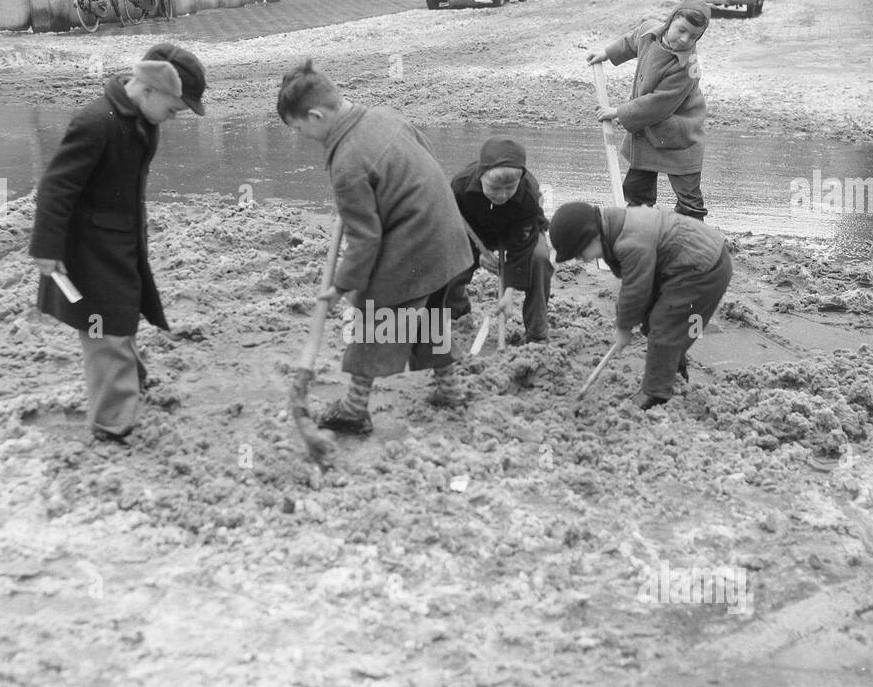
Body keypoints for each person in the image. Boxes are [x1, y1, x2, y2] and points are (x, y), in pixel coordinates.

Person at [277, 59, 473, 434]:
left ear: (316, 115)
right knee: (429, 311)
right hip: (447, 235)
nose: (301, 136)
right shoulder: (385, 116)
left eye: (299, 128)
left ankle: (354, 408)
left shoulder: (347, 162)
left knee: (375, 314)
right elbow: (424, 153)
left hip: (415, 243)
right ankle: (450, 388)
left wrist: (342, 286)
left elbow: (365, 240)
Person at [29, 43, 206, 443]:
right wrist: (47, 248)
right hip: (87, 251)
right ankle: (112, 424)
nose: (174, 118)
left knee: (122, 314)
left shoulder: (142, 121)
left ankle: (131, 378)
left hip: (120, 243)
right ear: (148, 91)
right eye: (174, 109)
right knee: (104, 331)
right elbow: (56, 186)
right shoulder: (96, 122)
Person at [548, 200, 732, 409]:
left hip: (703, 268)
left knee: (665, 325)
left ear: (593, 236)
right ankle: (674, 370)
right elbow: (634, 284)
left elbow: (636, 289)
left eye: (580, 253)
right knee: (653, 321)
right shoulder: (612, 228)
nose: (581, 260)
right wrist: (628, 322)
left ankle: (656, 393)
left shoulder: (630, 241)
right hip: (678, 266)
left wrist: (623, 327)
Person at [586, 0, 711, 220]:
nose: (684, 39)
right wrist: (607, 53)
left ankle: (692, 232)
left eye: (694, 36)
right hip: (648, 130)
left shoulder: (688, 66)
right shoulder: (649, 32)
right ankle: (638, 226)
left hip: (681, 133)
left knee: (688, 197)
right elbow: (631, 41)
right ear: (670, 20)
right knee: (638, 189)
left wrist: (618, 111)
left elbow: (657, 105)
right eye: (681, 30)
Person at [447, 135, 553, 343]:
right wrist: (479, 254)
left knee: (539, 258)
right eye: (494, 188)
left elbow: (522, 243)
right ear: (480, 175)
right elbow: (453, 227)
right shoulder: (460, 185)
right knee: (448, 260)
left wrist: (509, 292)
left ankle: (537, 333)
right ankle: (459, 314)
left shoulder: (529, 193)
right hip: (475, 232)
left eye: (510, 188)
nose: (502, 195)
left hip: (520, 232)